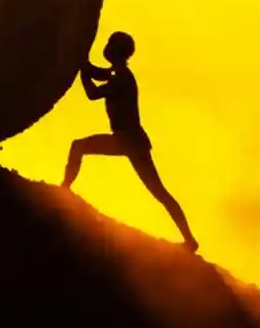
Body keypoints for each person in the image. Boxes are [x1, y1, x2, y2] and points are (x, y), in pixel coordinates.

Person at [61, 31, 199, 252]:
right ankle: (190, 240)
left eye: (110, 44)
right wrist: (84, 64)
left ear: (115, 51)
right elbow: (101, 73)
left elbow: (92, 93)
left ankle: (63, 191)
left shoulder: (121, 78)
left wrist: (82, 71)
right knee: (160, 192)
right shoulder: (121, 74)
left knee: (79, 147)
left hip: (127, 139)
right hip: (132, 139)